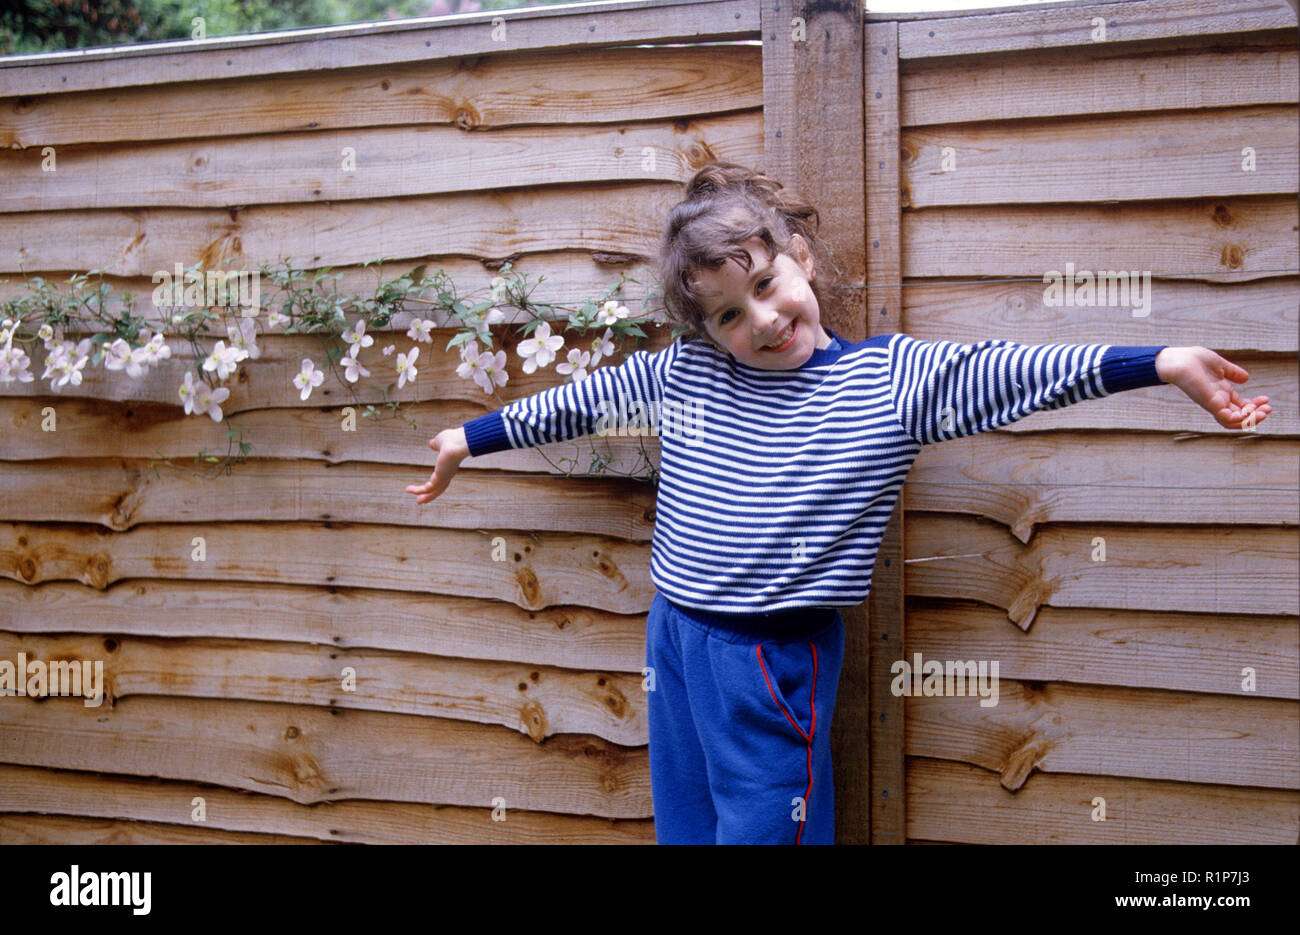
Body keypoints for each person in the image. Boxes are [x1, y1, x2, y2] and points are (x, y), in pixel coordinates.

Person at [406, 161, 1273, 845]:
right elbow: (578, 402)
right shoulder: (689, 372)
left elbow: (1017, 372)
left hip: (771, 663)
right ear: (705, 331)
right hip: (675, 635)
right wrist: (468, 438)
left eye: (766, 283)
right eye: (730, 315)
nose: (763, 320)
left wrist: (1160, 362)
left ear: (800, 258)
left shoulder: (888, 384)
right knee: (689, 826)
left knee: (766, 830)